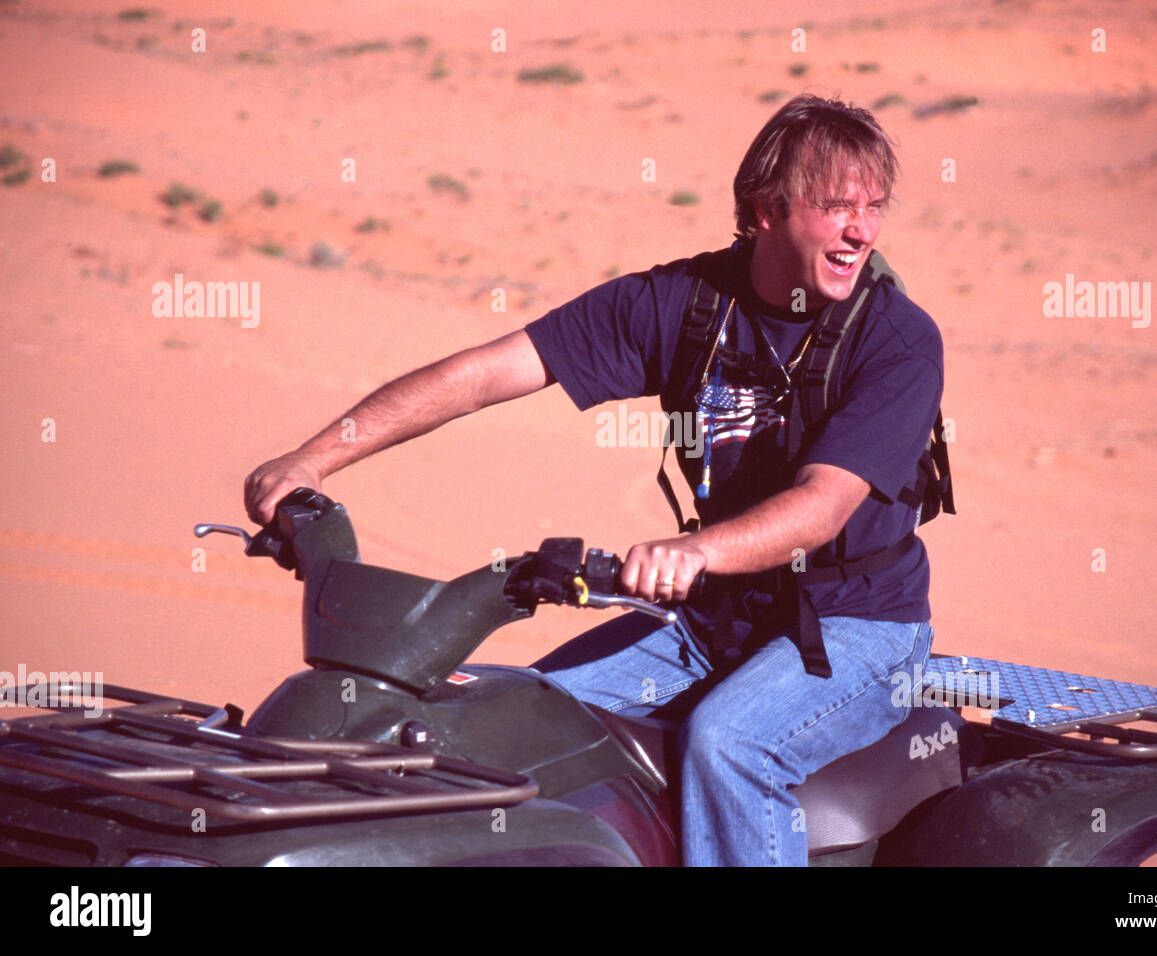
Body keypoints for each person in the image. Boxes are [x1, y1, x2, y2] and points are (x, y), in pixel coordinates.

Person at [245, 94, 943, 867]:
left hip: (856, 628)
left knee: (732, 743)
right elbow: (485, 373)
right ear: (767, 209)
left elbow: (821, 508)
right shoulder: (686, 305)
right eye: (838, 206)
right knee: (516, 714)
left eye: (873, 208)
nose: (862, 231)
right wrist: (314, 457)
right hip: (714, 626)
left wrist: (695, 554)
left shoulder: (898, 341)